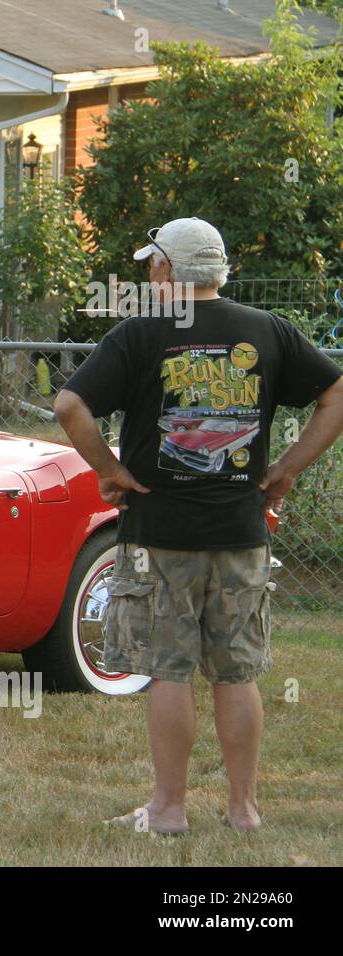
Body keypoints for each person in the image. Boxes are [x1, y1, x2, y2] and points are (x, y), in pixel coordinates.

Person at [54, 217, 343, 835]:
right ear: (220, 271)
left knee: (169, 670)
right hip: (241, 533)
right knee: (236, 673)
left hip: (158, 533)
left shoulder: (138, 335)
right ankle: (244, 810)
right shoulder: (266, 331)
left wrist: (110, 469)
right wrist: (286, 470)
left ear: (165, 270)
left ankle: (168, 811)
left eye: (149, 267)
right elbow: (337, 392)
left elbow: (69, 405)